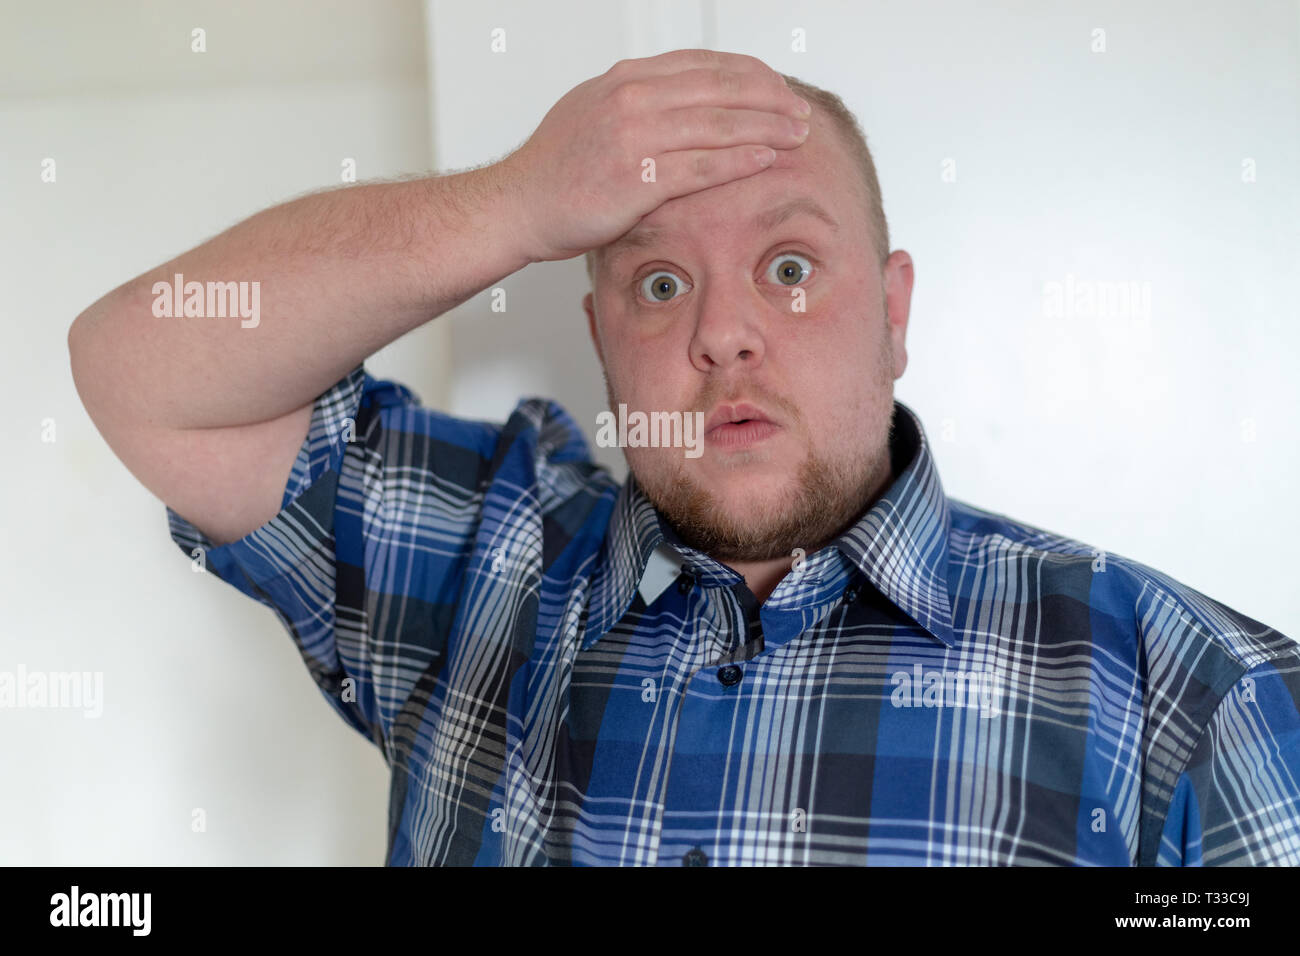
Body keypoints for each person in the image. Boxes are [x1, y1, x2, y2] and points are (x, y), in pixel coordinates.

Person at [68, 49, 1300, 866]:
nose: (720, 334)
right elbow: (143, 369)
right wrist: (513, 201)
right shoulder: (479, 560)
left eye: (789, 268)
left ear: (893, 313)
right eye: (659, 284)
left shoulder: (1188, 692)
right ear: (604, 338)